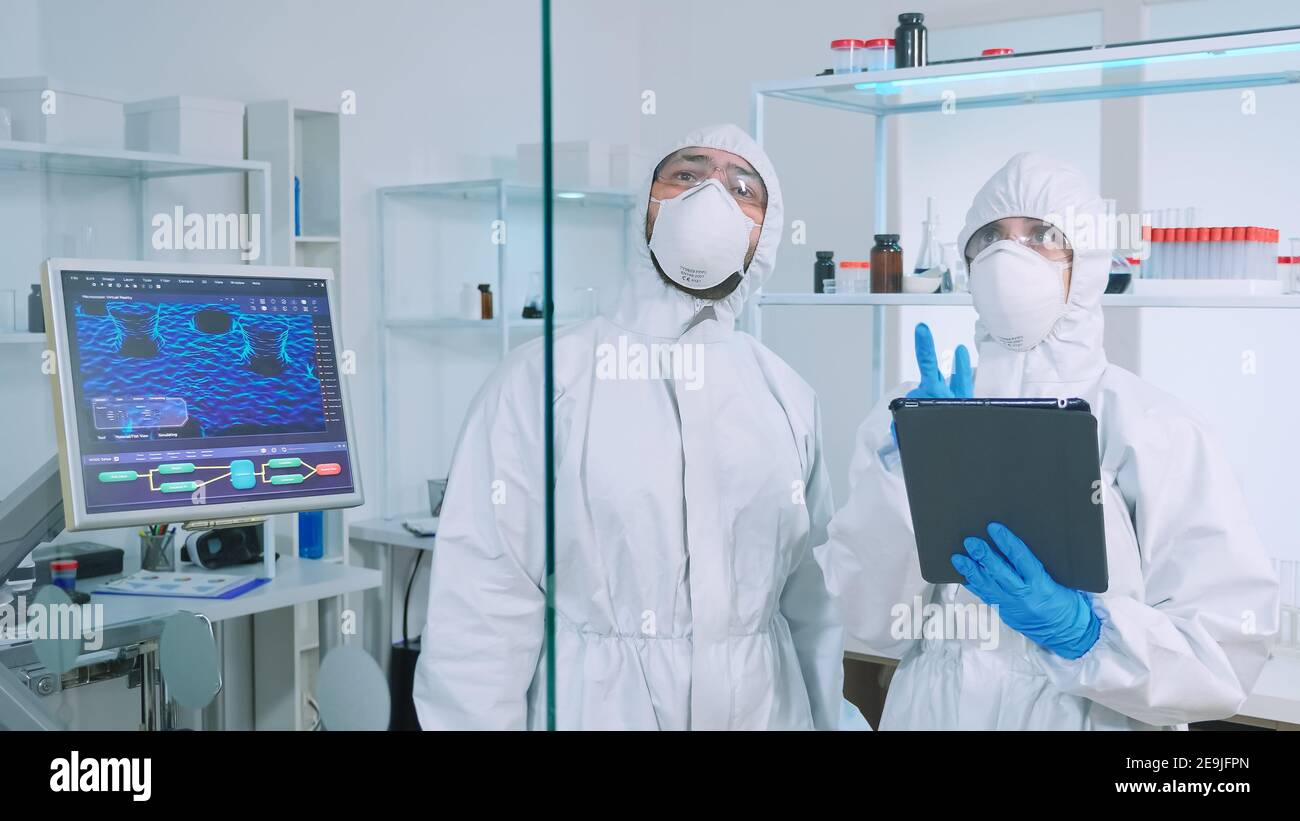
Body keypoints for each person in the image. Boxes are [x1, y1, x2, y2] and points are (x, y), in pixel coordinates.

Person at [816, 152, 1279, 730]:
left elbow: (1225, 659)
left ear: (1084, 263)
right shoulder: (912, 414)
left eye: (1041, 236)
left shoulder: (1156, 428)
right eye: (991, 238)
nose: (1009, 255)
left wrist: (1087, 633)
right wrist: (902, 478)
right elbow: (867, 619)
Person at [414, 124, 845, 730]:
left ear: (764, 235)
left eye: (742, 188)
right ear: (645, 204)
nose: (711, 196)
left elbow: (813, 609)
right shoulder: (544, 383)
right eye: (687, 176)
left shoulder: (785, 396)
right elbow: (481, 611)